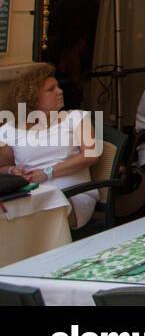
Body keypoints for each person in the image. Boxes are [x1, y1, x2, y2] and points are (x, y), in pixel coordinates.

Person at [0, 62, 100, 228]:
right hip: (32, 195)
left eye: (58, 87)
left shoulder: (75, 118)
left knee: (31, 219)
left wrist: (47, 173)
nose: (60, 91)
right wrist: (12, 171)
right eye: (51, 89)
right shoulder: (10, 129)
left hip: (71, 196)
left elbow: (91, 155)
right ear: (32, 98)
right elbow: (2, 167)